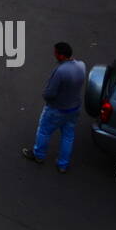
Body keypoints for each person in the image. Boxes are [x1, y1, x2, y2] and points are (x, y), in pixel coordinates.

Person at [22, 42, 86, 173]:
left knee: (44, 131)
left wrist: (47, 98)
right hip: (74, 109)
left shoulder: (60, 71)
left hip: (57, 109)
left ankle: (38, 155)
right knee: (68, 136)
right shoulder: (81, 66)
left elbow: (49, 93)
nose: (54, 54)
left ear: (61, 56)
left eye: (55, 53)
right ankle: (63, 164)